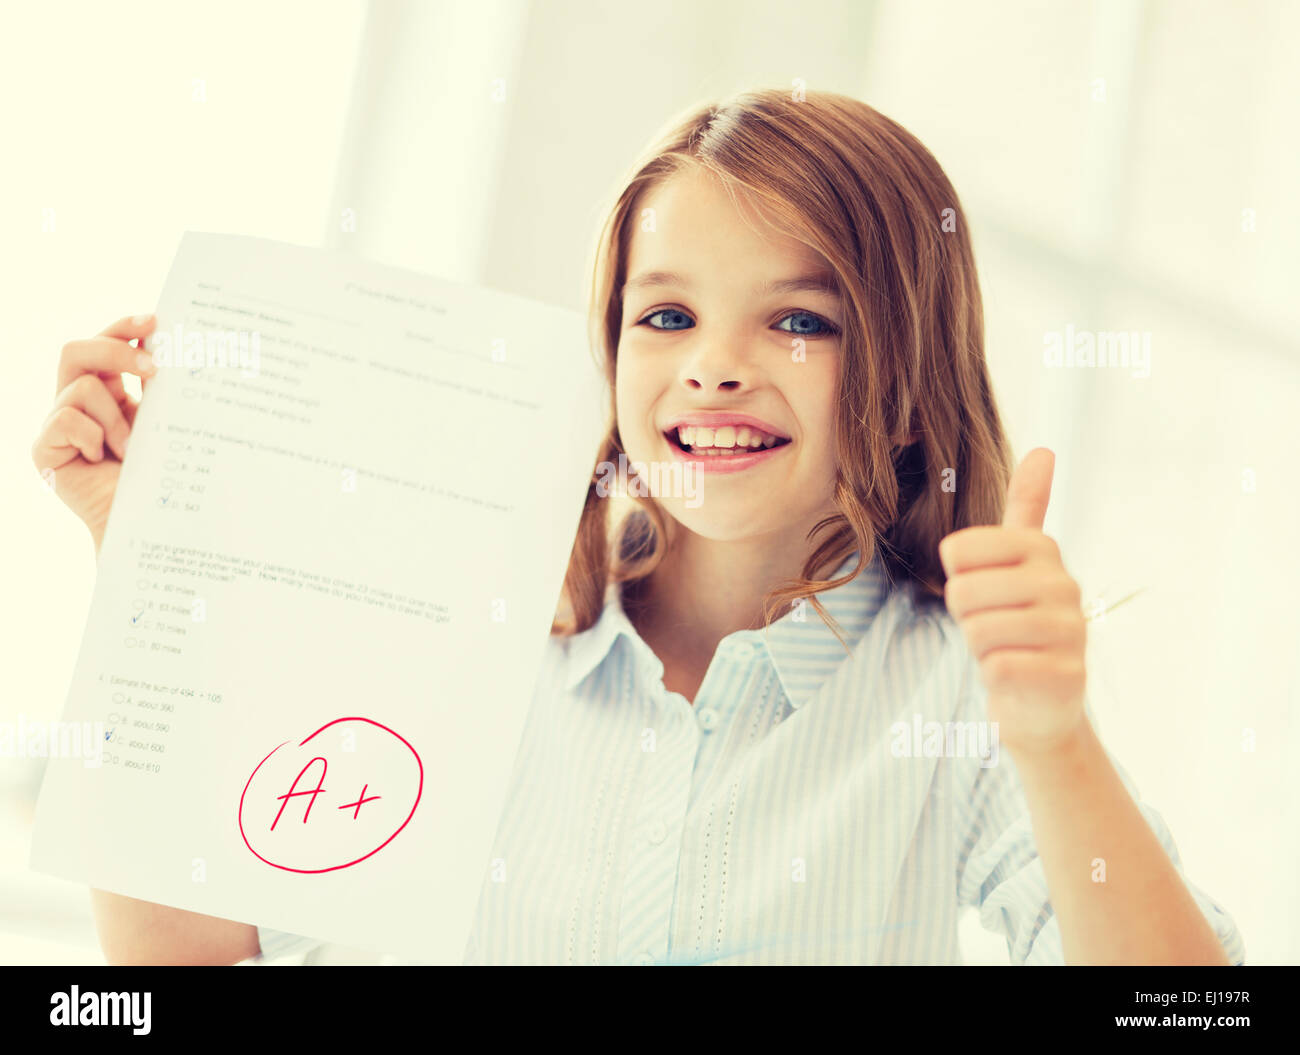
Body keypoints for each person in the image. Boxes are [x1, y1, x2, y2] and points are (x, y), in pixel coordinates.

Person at [33, 88, 1243, 966]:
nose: (713, 366)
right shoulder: (470, 624)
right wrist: (146, 563)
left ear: (906, 376)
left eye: (799, 320)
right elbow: (196, 964)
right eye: (665, 316)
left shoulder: (951, 696)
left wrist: (1053, 742)